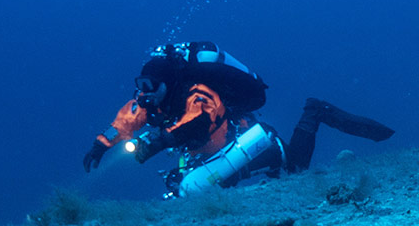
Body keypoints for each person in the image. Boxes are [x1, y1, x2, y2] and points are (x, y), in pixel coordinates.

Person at [82, 41, 393, 197]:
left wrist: (161, 140)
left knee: (295, 168)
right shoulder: (150, 101)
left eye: (152, 86)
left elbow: (198, 121)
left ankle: (314, 112)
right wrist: (101, 145)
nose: (145, 93)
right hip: (208, 154)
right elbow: (125, 120)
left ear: (169, 83)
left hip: (247, 141)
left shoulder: (198, 94)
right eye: (141, 85)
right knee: (191, 190)